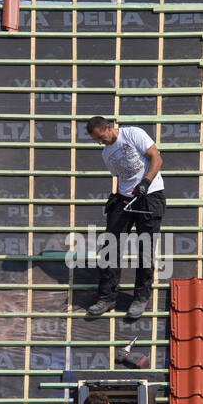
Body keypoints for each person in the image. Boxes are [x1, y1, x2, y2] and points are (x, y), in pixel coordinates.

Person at [84, 115, 165, 320]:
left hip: (150, 195)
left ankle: (140, 298)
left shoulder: (133, 134)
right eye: (96, 140)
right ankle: (107, 297)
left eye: (101, 137)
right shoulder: (106, 154)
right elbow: (121, 176)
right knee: (111, 246)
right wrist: (118, 198)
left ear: (108, 127)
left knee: (145, 248)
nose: (100, 142)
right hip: (125, 198)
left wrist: (146, 182)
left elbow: (156, 158)